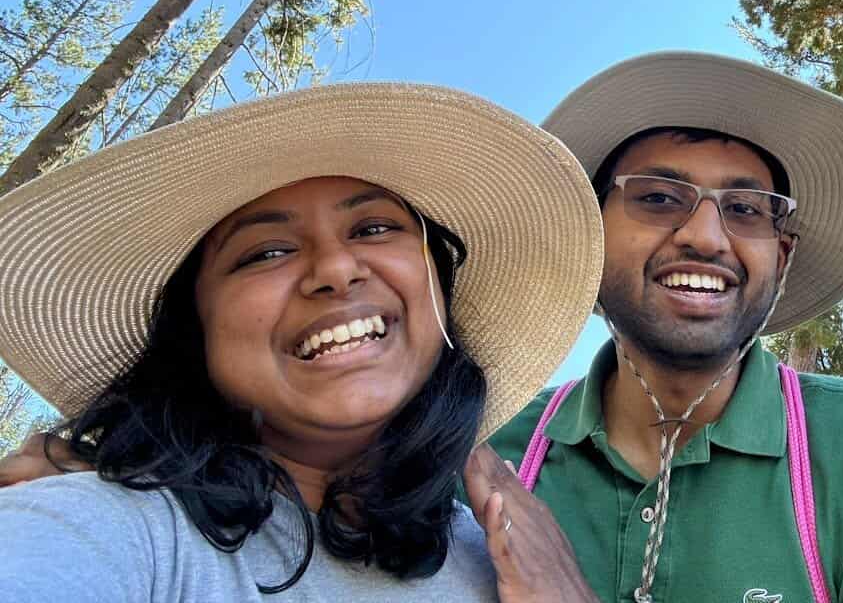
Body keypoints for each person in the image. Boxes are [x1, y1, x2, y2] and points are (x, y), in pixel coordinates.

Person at [0, 82, 604, 602]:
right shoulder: (94, 529)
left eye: (373, 228)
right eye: (265, 253)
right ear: (194, 333)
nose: (337, 269)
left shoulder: (508, 565)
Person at [466, 51, 843, 603]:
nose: (707, 238)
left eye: (745, 209)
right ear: (591, 237)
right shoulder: (488, 452)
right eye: (659, 198)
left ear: (781, 258)